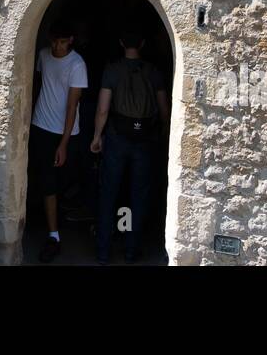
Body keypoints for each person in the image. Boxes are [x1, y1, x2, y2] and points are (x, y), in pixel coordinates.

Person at [91, 33, 169, 264]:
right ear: (143, 43)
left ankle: (104, 250)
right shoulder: (153, 72)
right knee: (138, 195)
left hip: (117, 137)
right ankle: (131, 249)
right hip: (145, 139)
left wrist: (97, 136)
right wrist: (164, 133)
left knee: (109, 193)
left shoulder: (112, 70)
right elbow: (164, 108)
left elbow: (103, 109)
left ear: (121, 42)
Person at [29, 27, 88, 262]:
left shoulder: (77, 65)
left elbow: (73, 105)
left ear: (70, 40)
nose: (57, 47)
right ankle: (54, 236)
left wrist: (63, 143)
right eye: (55, 41)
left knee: (62, 179)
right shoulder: (43, 55)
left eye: (62, 41)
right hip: (40, 126)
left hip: (66, 133)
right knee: (47, 181)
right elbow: (38, 84)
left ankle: (56, 219)